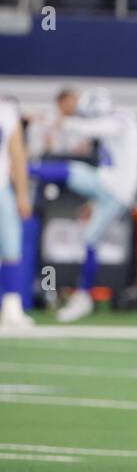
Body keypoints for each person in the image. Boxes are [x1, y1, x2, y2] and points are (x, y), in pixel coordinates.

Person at [27, 88, 137, 323]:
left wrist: (53, 120)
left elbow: (93, 128)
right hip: (113, 190)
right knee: (90, 238)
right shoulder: (121, 121)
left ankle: (20, 169)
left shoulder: (121, 121)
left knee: (70, 171)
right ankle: (83, 295)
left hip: (115, 190)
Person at [0, 95, 33, 327]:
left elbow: (17, 154)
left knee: (11, 247)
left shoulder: (7, 111)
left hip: (0, 187)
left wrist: (22, 194)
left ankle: (12, 307)